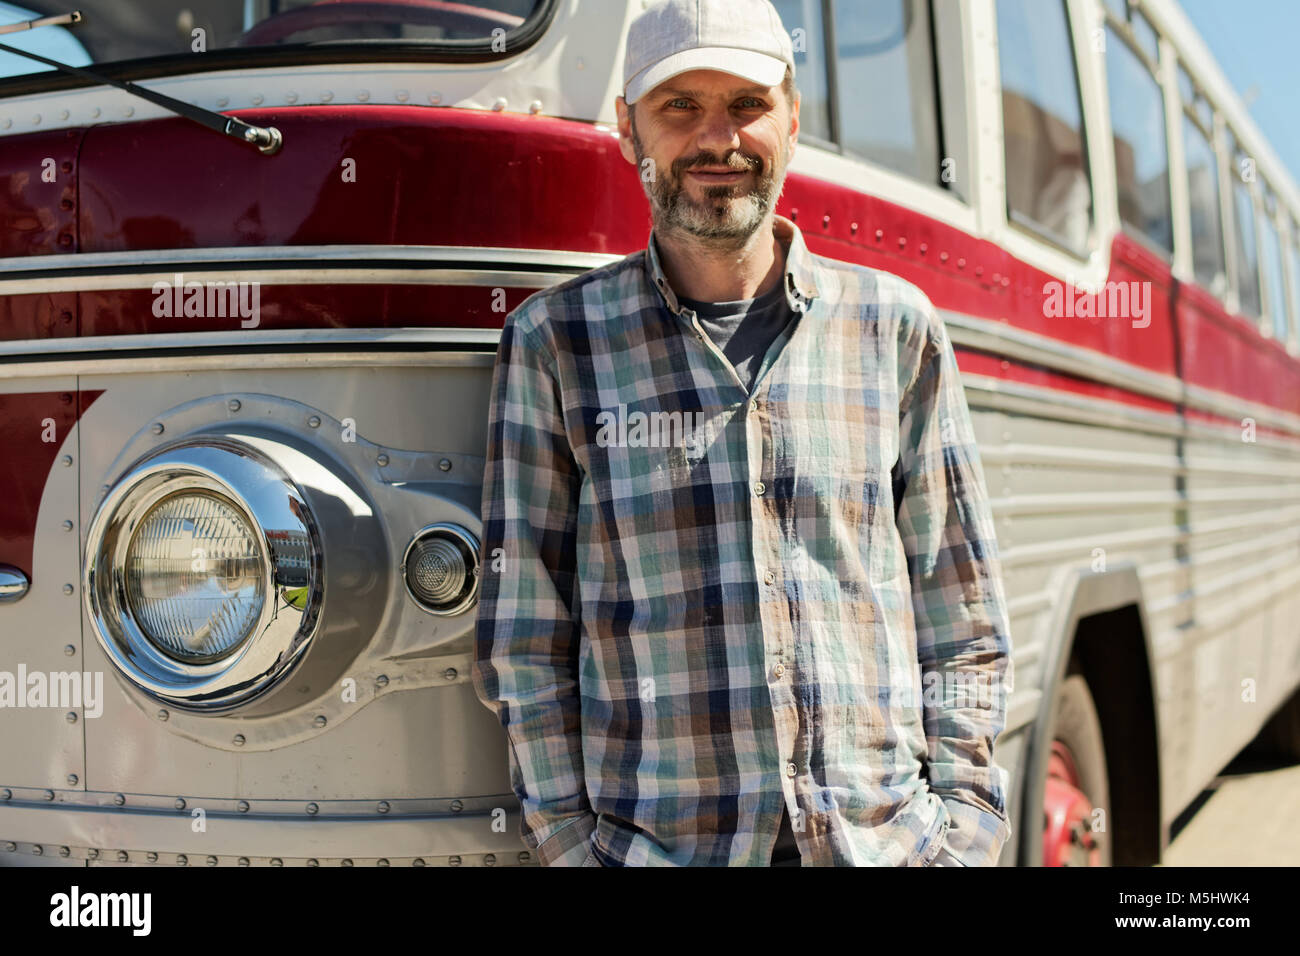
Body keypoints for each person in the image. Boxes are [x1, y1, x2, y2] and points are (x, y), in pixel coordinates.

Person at [472, 0, 1013, 867]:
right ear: (628, 130)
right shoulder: (555, 344)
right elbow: (526, 638)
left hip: (884, 848)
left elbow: (962, 613)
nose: (716, 139)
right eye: (679, 106)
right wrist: (574, 850)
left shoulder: (895, 329)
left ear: (792, 123)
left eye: (747, 105)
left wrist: (965, 834)